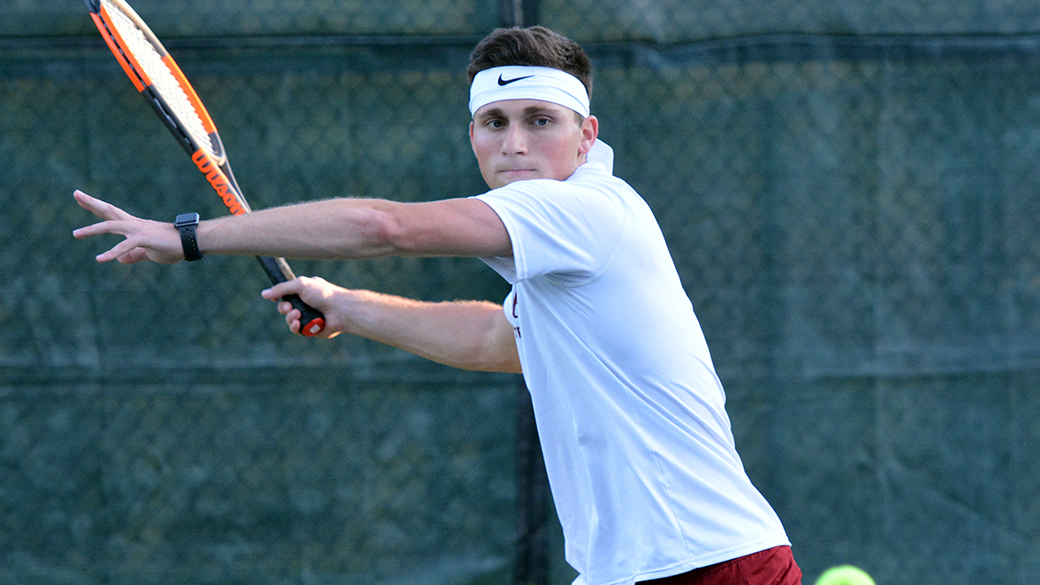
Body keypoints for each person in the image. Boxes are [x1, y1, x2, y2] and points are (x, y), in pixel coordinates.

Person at [74, 25, 802, 585]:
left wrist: (189, 236)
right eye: (495, 122)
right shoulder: (565, 243)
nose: (514, 143)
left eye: (540, 120)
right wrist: (347, 305)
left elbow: (384, 227)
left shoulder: (584, 212)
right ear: (474, 136)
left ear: (586, 137)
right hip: (634, 567)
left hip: (712, 563)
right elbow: (501, 338)